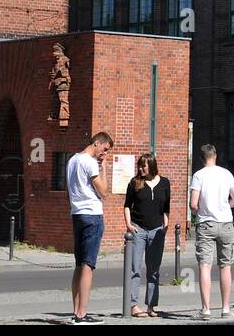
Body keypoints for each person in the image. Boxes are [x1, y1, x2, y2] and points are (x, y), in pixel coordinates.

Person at [188, 143, 234, 320]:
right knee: (225, 266)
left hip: (206, 224)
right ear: (215, 156)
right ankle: (226, 308)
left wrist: (199, 212)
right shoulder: (226, 174)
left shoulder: (198, 175)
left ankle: (206, 309)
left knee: (205, 266)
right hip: (226, 223)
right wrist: (226, 206)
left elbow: (193, 204)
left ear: (202, 158)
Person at [67, 132, 112, 325]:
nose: (105, 154)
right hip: (92, 215)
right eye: (105, 149)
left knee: (79, 265)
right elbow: (103, 191)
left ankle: (76, 311)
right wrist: (104, 169)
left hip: (76, 214)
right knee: (88, 265)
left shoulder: (72, 160)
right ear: (97, 143)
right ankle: (82, 314)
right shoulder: (90, 162)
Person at [123, 153, 170, 318]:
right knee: (135, 268)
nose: (141, 169)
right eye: (139, 166)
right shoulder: (135, 182)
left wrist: (166, 223)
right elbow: (127, 205)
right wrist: (129, 224)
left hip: (157, 230)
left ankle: (151, 306)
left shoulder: (164, 183)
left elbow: (166, 207)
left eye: (144, 166)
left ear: (152, 165)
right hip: (138, 229)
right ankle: (133, 305)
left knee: (154, 270)